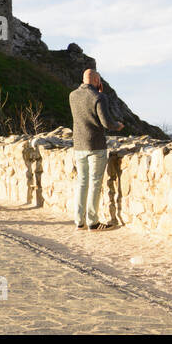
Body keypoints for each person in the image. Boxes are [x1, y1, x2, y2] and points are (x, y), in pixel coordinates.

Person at [70, 68, 123, 231]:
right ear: (96, 81)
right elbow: (106, 123)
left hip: (79, 145)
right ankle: (92, 221)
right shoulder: (99, 97)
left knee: (82, 182)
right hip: (95, 145)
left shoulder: (72, 95)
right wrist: (118, 125)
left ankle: (79, 220)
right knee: (94, 182)